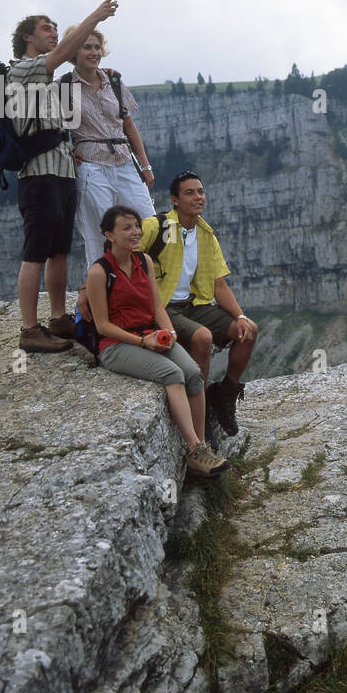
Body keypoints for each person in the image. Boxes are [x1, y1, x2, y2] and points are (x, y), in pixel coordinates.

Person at [8, 0, 118, 353]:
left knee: (58, 251)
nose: (54, 33)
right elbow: (67, 50)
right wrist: (96, 18)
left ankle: (57, 318)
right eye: (46, 28)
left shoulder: (49, 79)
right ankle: (28, 329)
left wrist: (104, 73)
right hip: (38, 175)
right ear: (28, 37)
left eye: (56, 28)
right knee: (35, 252)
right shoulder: (24, 69)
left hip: (62, 169)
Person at [85, 205, 229, 479]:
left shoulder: (143, 262)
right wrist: (143, 342)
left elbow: (156, 306)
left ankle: (202, 448)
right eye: (126, 228)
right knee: (172, 374)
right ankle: (193, 448)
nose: (135, 232)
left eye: (136, 226)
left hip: (152, 333)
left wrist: (168, 332)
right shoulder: (99, 272)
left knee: (194, 374)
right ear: (109, 235)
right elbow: (103, 326)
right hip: (116, 345)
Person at [139, 173, 257, 437]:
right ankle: (200, 410)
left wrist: (239, 316)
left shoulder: (205, 235)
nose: (198, 197)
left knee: (248, 331)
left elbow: (219, 286)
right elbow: (120, 252)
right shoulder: (156, 226)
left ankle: (224, 394)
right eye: (190, 193)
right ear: (175, 201)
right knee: (202, 338)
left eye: (200, 191)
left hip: (194, 303)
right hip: (164, 306)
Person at [64, 30, 156, 270]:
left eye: (97, 47)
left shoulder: (113, 82)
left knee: (148, 223)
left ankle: (145, 285)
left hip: (124, 160)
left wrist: (145, 165)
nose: (94, 53)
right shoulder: (63, 87)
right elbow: (50, 126)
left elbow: (128, 124)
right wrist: (66, 151)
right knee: (101, 233)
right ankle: (102, 294)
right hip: (91, 165)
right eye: (87, 47)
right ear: (73, 51)